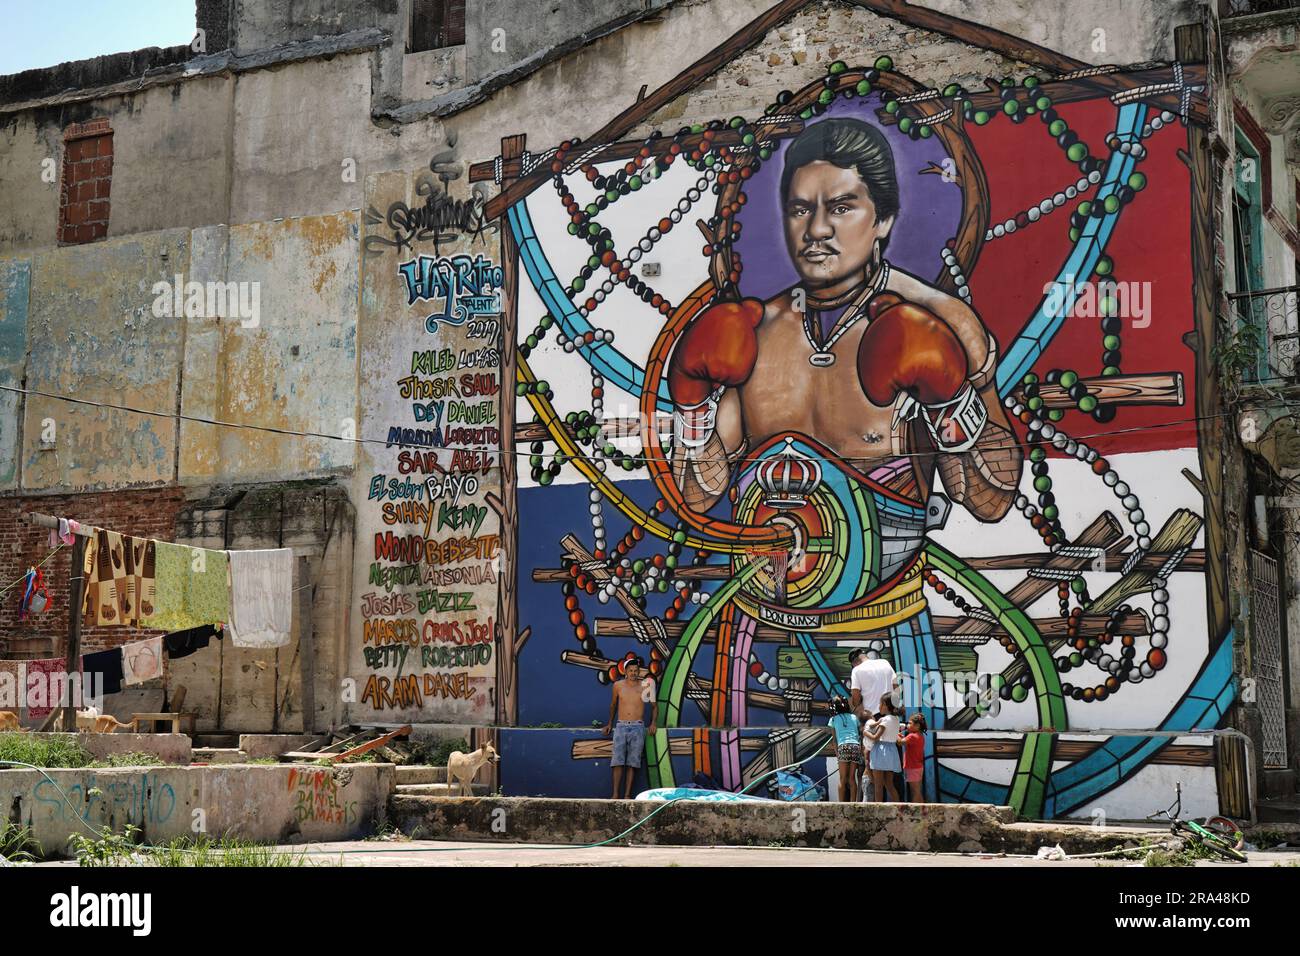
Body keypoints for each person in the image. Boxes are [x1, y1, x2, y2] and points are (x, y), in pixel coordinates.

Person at [667, 116, 1021, 522]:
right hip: (762, 576)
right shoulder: (754, 331)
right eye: (800, 210)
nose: (816, 229)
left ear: (883, 219)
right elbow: (697, 496)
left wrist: (951, 404)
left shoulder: (942, 319)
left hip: (891, 581)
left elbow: (990, 502)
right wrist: (692, 408)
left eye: (840, 208)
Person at [601, 658, 657, 798]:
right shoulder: (618, 685)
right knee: (618, 761)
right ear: (625, 671)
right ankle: (615, 795)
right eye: (630, 670)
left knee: (633, 763)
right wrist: (609, 723)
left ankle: (626, 795)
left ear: (639, 672)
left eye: (636, 671)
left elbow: (655, 706)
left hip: (638, 727)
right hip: (620, 726)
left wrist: (653, 723)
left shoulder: (645, 686)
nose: (633, 673)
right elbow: (613, 705)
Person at [862, 692, 902, 802]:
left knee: (878, 785)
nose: (879, 706)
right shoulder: (896, 719)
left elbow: (875, 737)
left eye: (880, 703)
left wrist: (865, 733)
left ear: (885, 705)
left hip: (880, 752)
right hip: (891, 752)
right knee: (889, 784)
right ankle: (899, 808)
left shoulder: (885, 720)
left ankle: (878, 812)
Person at [828, 695, 863, 802]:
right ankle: (853, 804)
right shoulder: (854, 717)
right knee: (852, 779)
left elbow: (835, 740)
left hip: (843, 747)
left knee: (843, 779)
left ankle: (841, 805)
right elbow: (858, 734)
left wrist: (838, 755)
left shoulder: (833, 719)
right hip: (855, 746)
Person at [899, 712, 927, 802]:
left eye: (910, 723)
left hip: (912, 767)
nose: (907, 725)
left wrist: (894, 732)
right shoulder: (920, 736)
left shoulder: (912, 736)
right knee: (917, 791)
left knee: (915, 791)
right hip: (918, 767)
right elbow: (905, 740)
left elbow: (900, 742)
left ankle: (917, 811)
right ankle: (923, 812)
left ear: (917, 725)